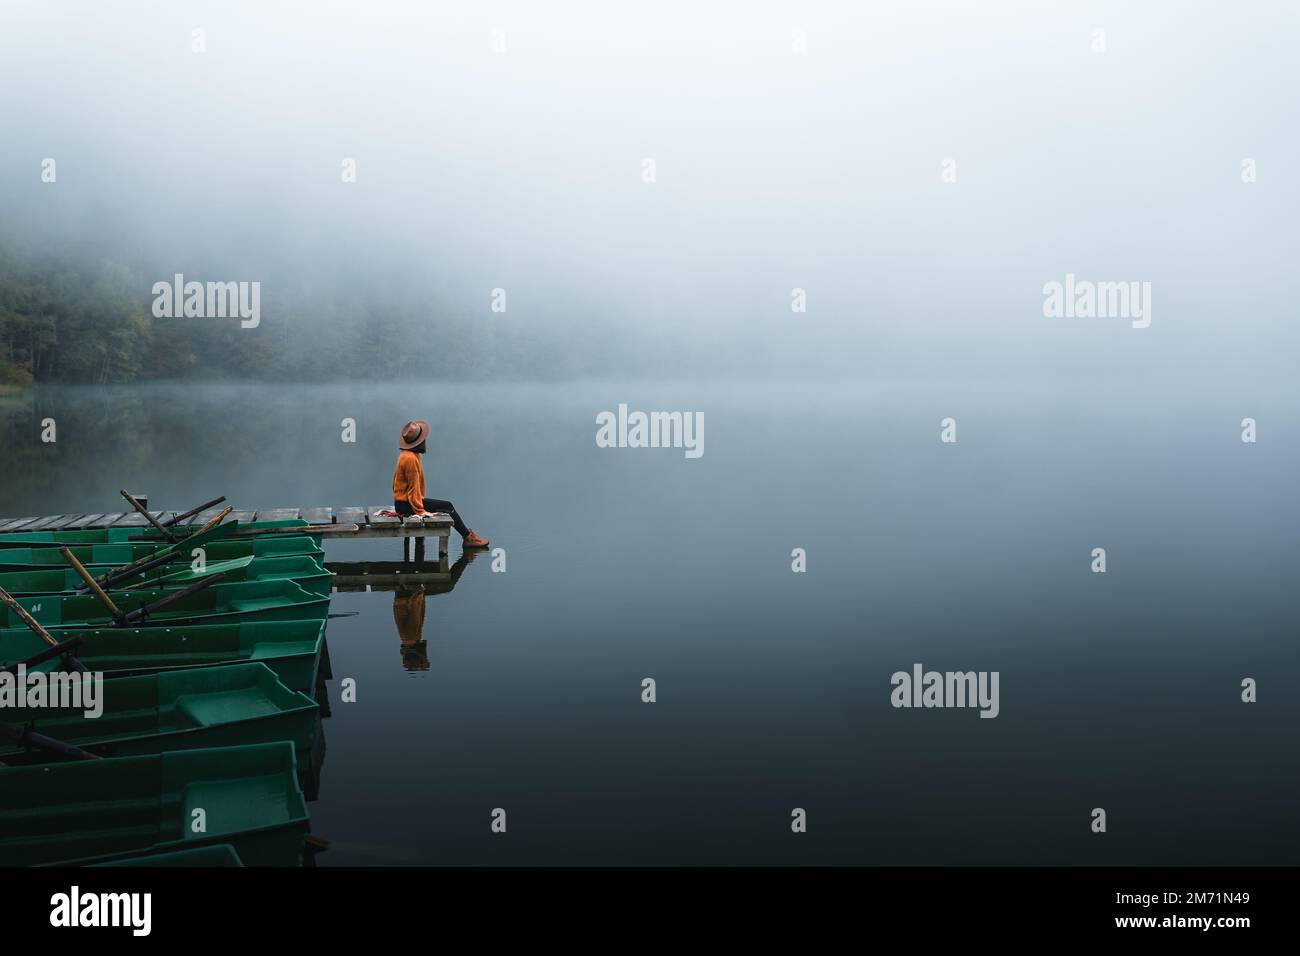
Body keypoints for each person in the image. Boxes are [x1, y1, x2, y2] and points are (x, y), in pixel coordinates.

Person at [392, 419, 490, 548]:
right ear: (419, 441)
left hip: (402, 503)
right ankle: (468, 538)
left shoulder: (407, 454)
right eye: (423, 439)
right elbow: (413, 490)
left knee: (443, 505)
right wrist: (420, 511)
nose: (425, 441)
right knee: (447, 506)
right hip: (407, 505)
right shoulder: (411, 459)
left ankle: (467, 537)